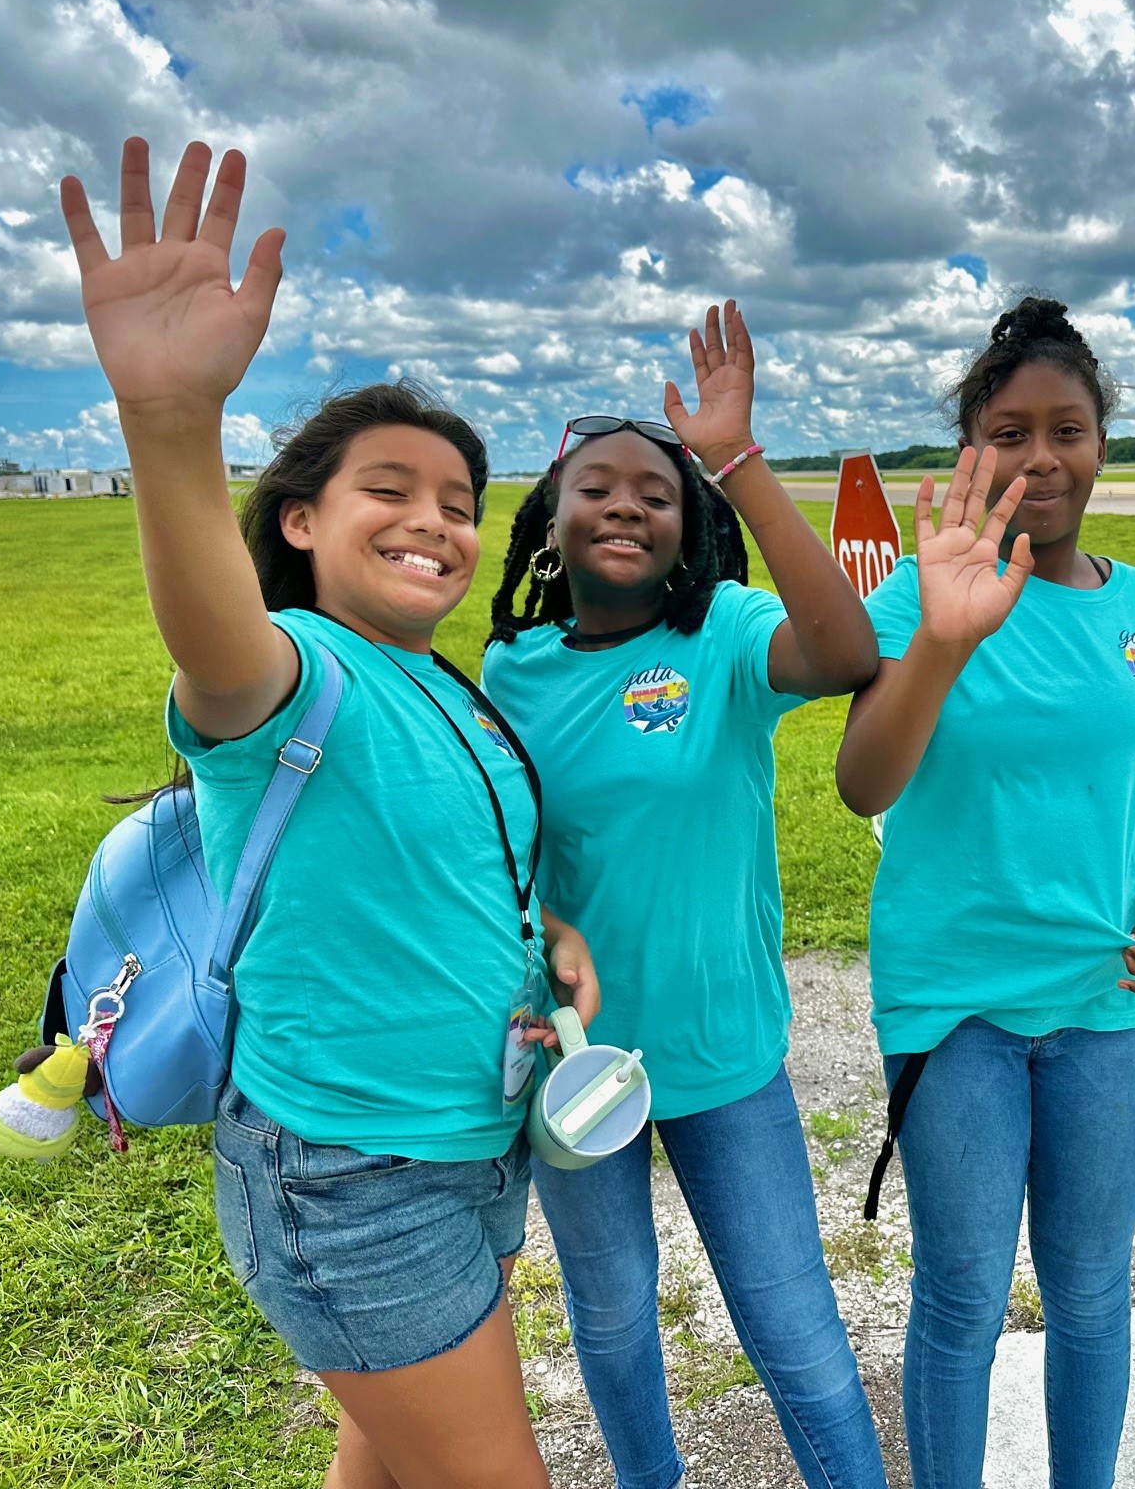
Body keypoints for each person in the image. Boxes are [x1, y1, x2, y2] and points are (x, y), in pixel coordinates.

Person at [61, 136, 598, 1489]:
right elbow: (209, 627)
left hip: (471, 1141)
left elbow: (458, 871)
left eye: (462, 504)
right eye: (391, 491)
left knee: (381, 1450)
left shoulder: (455, 694)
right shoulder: (291, 674)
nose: (437, 521)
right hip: (352, 1173)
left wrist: (554, 942)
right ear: (298, 522)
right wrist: (171, 425)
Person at [482, 301, 887, 1489]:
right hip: (576, 1059)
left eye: (656, 494)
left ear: (689, 524)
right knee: (612, 1325)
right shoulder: (512, 667)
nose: (626, 507)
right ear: (551, 521)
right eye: (597, 489)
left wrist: (740, 462)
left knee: (794, 1330)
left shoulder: (727, 634)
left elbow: (851, 654)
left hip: (725, 1054)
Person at [834, 298, 1135, 1489]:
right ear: (972, 451)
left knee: (1094, 1293)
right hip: (959, 1008)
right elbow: (863, 783)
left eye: (1068, 429)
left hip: (1108, 999)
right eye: (1009, 432)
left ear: (1103, 442)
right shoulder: (919, 591)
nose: (1040, 458)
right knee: (960, 1298)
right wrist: (945, 639)